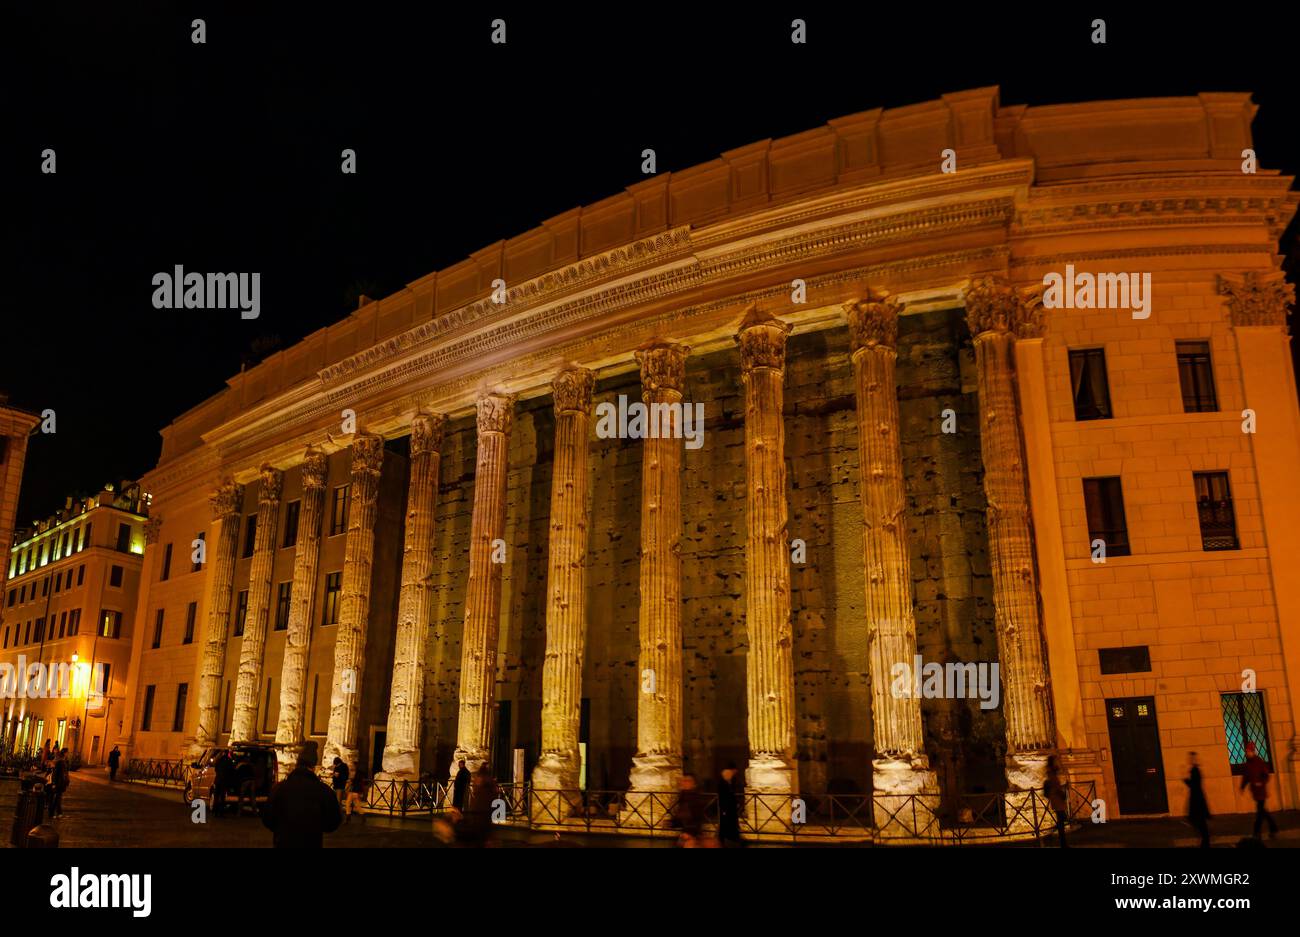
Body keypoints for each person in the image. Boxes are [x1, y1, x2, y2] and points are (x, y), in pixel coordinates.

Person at [261, 745, 342, 848]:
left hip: (283, 843)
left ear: (297, 763)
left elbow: (267, 818)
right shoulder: (323, 791)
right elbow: (333, 822)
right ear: (313, 766)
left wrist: (281, 828)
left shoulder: (279, 788)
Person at [1240, 741, 1278, 840]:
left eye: (1248, 751)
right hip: (1255, 792)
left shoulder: (1259, 762)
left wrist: (1261, 782)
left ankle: (1257, 833)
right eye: (1246, 751)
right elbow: (1246, 777)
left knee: (1259, 814)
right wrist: (1242, 787)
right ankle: (1273, 828)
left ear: (1253, 752)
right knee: (1263, 812)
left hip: (1261, 791)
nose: (1247, 753)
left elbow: (1266, 775)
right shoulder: (1248, 764)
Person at [458, 763, 500, 846]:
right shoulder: (487, 779)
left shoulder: (479, 778)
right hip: (484, 807)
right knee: (483, 828)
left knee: (479, 827)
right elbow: (493, 791)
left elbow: (475, 790)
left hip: (479, 807)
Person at [672, 773, 710, 847]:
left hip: (691, 834)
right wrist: (672, 823)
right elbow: (681, 814)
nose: (684, 783)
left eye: (688, 781)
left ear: (694, 784)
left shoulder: (694, 797)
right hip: (687, 832)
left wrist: (690, 833)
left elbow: (696, 817)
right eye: (683, 781)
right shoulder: (683, 795)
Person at [1184, 752, 1211, 848]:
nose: (1190, 760)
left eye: (1192, 758)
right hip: (1197, 798)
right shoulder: (1195, 770)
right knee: (1199, 820)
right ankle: (1204, 839)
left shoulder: (1195, 770)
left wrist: (1186, 781)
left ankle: (1205, 840)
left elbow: (1194, 784)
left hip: (1197, 799)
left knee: (1198, 820)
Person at [1044, 755, 1068, 848]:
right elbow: (1055, 785)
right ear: (1052, 762)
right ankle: (1057, 840)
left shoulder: (1052, 772)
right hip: (1057, 798)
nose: (1057, 762)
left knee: (1061, 820)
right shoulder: (1051, 772)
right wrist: (1062, 793)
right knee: (1061, 821)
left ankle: (1061, 842)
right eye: (1055, 761)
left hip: (1057, 798)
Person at [717, 763, 743, 846]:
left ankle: (730, 838)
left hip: (730, 807)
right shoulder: (724, 784)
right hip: (727, 807)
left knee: (729, 823)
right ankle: (729, 838)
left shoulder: (728, 783)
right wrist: (724, 809)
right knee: (726, 823)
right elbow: (724, 797)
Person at [48, 748, 70, 818]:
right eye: (67, 753)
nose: (68, 754)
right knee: (56, 798)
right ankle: (52, 813)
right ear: (65, 753)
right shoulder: (60, 762)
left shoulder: (63, 761)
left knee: (57, 798)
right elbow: (56, 773)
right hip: (58, 783)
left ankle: (58, 812)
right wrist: (54, 783)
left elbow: (64, 773)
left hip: (60, 783)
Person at [213, 749, 234, 817]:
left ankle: (215, 812)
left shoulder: (219, 760)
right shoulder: (229, 760)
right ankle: (221, 812)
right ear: (228, 753)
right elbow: (232, 770)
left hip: (218, 780)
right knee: (222, 797)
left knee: (216, 796)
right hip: (224, 781)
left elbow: (216, 769)